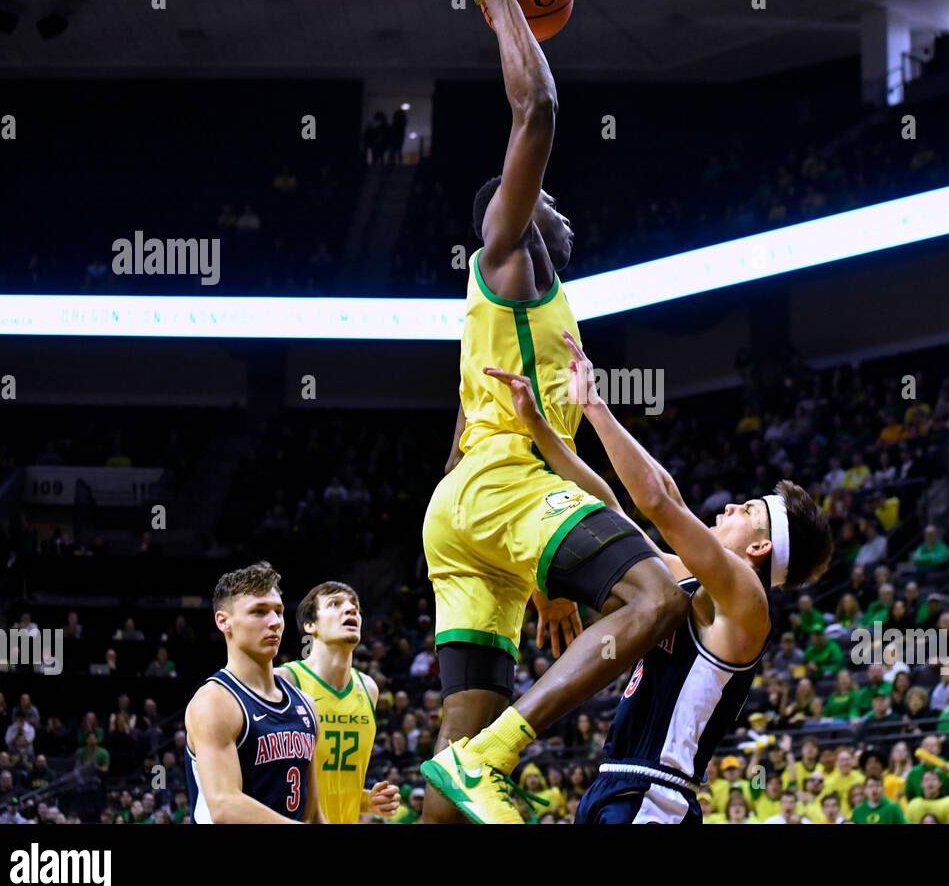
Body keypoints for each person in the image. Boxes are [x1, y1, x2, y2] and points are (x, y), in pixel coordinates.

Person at [419, 0, 696, 824]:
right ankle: (498, 759)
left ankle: (466, 768)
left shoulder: (530, 319)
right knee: (655, 595)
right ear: (516, 207)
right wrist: (501, 2)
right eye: (546, 196)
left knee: (454, 729)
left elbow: (528, 455)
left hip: (465, 508)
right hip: (500, 490)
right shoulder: (509, 258)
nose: (560, 208)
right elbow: (536, 109)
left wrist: (540, 578)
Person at [426, 333, 833, 823]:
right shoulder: (686, 579)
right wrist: (539, 425)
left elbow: (662, 500)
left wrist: (595, 405)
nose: (729, 506)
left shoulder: (747, 602)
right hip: (614, 786)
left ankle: (496, 751)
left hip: (655, 795)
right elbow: (616, 511)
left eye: (746, 510)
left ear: (760, 548)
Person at [183, 562, 324, 823]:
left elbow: (313, 814)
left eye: (278, 612)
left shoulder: (305, 704)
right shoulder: (215, 702)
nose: (274, 622)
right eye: (259, 612)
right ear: (223, 622)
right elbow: (225, 807)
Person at [276, 582, 400, 824]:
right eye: (335, 604)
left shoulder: (369, 688)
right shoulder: (286, 681)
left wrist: (368, 801)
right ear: (310, 625)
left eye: (355, 607)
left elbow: (334, 785)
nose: (351, 610)